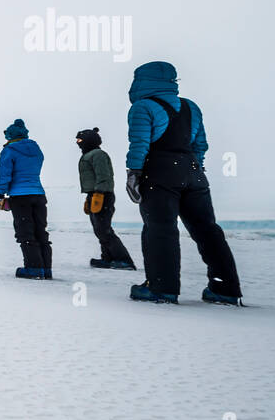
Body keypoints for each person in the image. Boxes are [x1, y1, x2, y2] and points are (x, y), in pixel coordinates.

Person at [124, 61, 242, 305]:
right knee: (208, 230)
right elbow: (200, 144)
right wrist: (192, 168)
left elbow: (139, 144)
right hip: (193, 172)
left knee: (160, 229)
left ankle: (162, 288)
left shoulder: (142, 107)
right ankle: (225, 288)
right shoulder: (191, 107)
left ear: (141, 81)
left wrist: (133, 173)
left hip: (159, 174)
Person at [0, 118, 51, 279]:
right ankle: (46, 269)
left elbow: (4, 173)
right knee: (41, 231)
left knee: (26, 232)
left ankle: (34, 269)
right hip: (39, 194)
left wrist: (0, 194)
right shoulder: (35, 148)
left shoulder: (10, 150)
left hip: (20, 197)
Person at [75, 127, 135, 270]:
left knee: (104, 229)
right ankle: (108, 258)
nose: (77, 143)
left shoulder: (98, 154)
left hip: (103, 195)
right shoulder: (89, 154)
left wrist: (99, 193)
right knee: (99, 229)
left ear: (88, 141)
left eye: (80, 140)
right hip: (94, 194)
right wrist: (90, 196)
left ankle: (124, 260)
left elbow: (103, 175)